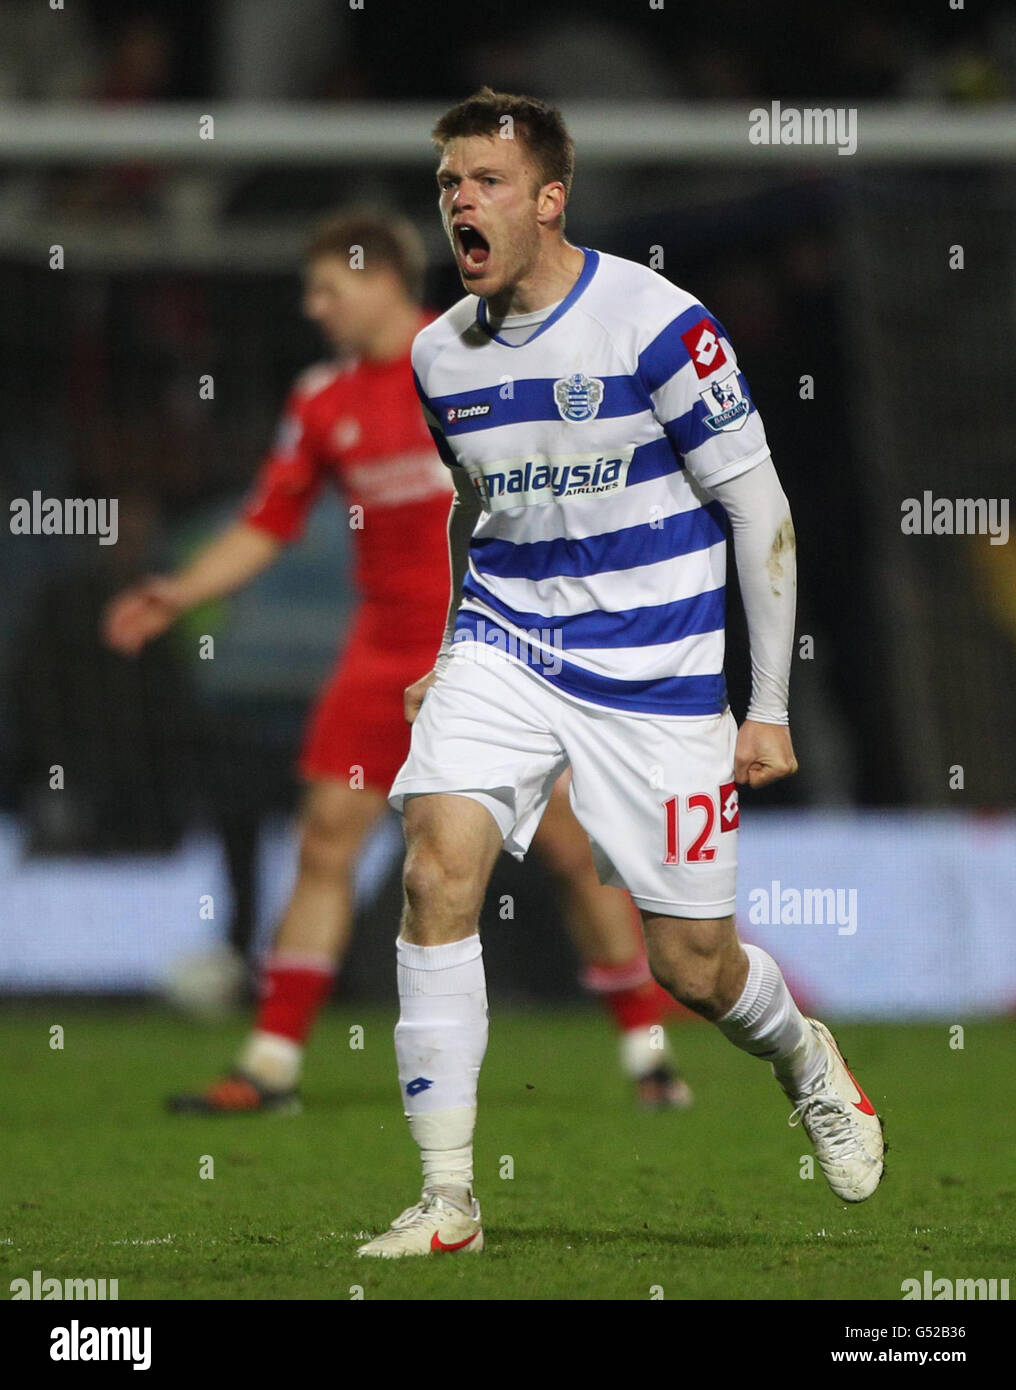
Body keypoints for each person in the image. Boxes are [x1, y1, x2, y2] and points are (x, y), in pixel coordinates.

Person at [357, 89, 884, 1259]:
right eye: (447, 184)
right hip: (505, 649)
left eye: (484, 182)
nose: (458, 203)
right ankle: (448, 1200)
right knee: (437, 865)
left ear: (549, 200)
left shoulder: (658, 325)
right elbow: (472, 509)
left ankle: (804, 1059)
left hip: (653, 676)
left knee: (690, 966)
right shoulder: (438, 355)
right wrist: (450, 650)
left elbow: (758, 505)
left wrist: (768, 706)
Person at [102, 206, 694, 1115]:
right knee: (325, 841)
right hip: (382, 657)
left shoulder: (485, 361)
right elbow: (269, 519)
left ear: (380, 279)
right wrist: (180, 592)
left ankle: (649, 1059)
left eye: (327, 289)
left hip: (500, 649)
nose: (315, 306)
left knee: (575, 852)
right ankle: (270, 1066)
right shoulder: (322, 400)